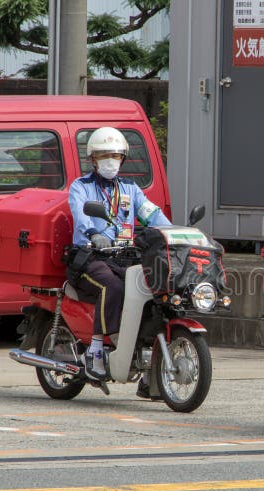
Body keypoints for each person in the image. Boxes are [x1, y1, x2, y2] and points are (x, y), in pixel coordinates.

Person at [68, 126, 171, 392]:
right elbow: (81, 217)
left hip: (124, 258)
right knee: (111, 287)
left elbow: (151, 213)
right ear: (93, 159)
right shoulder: (81, 187)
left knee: (150, 291)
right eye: (104, 156)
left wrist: (173, 233)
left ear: (123, 158)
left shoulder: (130, 189)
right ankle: (96, 349)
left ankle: (148, 361)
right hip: (91, 257)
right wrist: (93, 233)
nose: (110, 161)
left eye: (115, 155)